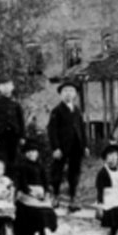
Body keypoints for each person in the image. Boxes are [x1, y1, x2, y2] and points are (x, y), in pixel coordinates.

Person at [46, 81, 88, 209]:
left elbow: (82, 129)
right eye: (65, 91)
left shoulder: (77, 111)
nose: (68, 94)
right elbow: (51, 130)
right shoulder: (57, 111)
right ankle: (56, 195)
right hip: (62, 147)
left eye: (71, 91)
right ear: (60, 95)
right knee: (57, 171)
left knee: (74, 172)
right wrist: (56, 148)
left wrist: (85, 146)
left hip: (76, 146)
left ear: (75, 94)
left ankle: (73, 198)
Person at [14, 139, 58, 235]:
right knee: (31, 210)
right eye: (29, 152)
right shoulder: (23, 166)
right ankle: (29, 233)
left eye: (34, 152)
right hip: (27, 193)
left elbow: (45, 181)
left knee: (46, 210)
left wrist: (46, 192)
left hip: (40, 193)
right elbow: (22, 182)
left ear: (37, 153)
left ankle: (42, 231)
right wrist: (30, 192)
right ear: (25, 154)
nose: (31, 154)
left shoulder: (40, 166)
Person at [0, 78, 26, 169]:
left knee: (14, 157)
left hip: (14, 134)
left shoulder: (16, 103)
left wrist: (22, 136)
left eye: (8, 86)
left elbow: (21, 120)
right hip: (2, 135)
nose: (6, 88)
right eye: (4, 86)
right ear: (0, 89)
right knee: (3, 156)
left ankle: (13, 178)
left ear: (12, 87)